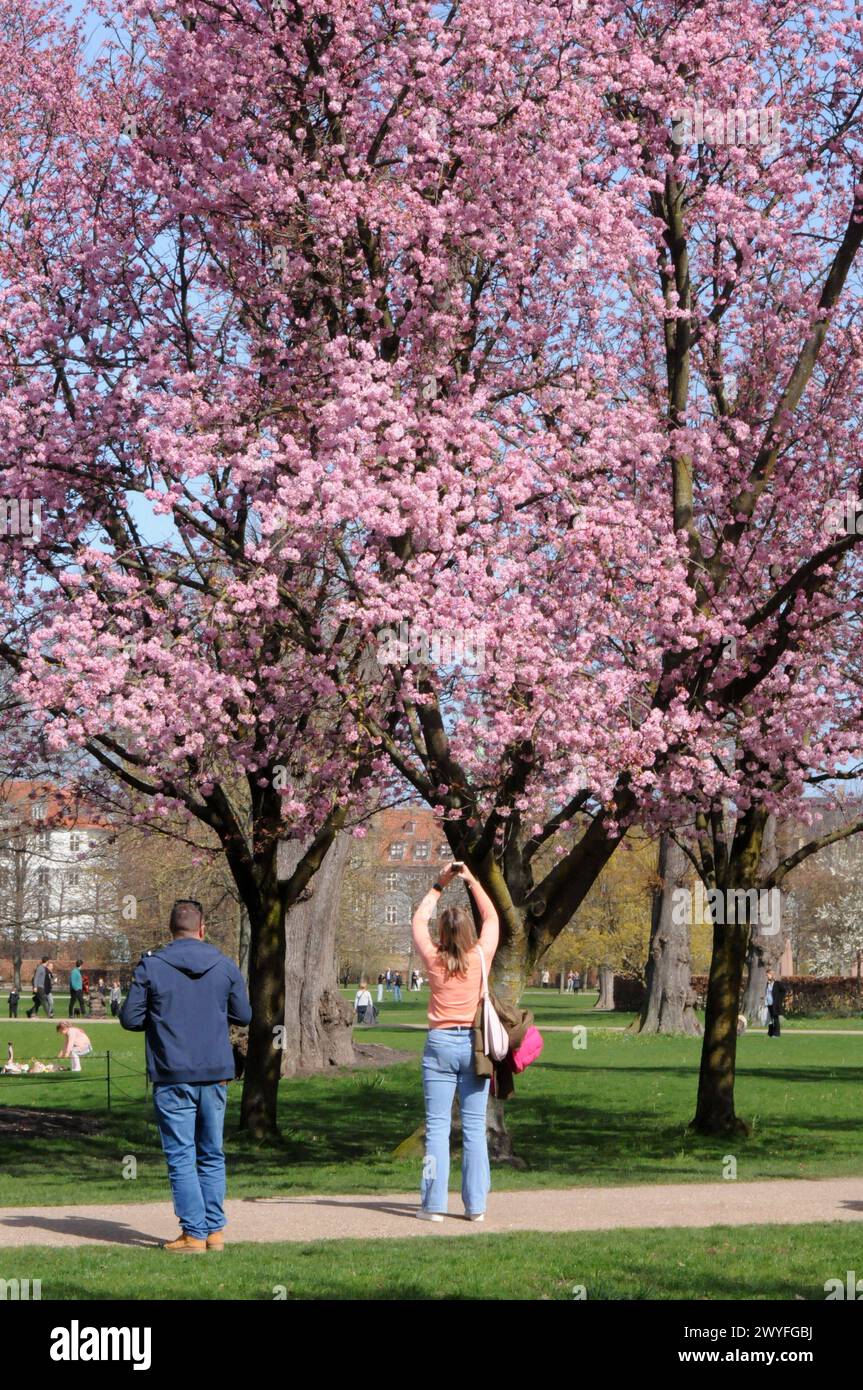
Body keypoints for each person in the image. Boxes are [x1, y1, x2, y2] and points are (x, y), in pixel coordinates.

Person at [120, 898, 252, 1254]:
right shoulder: (225, 965)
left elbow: (130, 1018)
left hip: (172, 1071)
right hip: (215, 1072)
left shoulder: (151, 966)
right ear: (202, 929)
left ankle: (194, 1233)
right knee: (211, 1153)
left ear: (171, 930)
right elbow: (244, 1015)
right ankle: (214, 1231)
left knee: (181, 1155)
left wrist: (162, 1019)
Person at [411, 861, 500, 1222]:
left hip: (440, 1044)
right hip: (474, 1046)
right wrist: (471, 881)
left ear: (443, 934)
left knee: (437, 1129)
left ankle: (433, 1205)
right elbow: (491, 918)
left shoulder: (434, 958)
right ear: (467, 933)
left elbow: (418, 921)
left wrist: (439, 884)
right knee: (475, 1130)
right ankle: (476, 1207)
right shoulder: (480, 956)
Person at [765, 969, 786, 1038]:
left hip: (775, 1004)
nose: (767, 976)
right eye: (767, 975)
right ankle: (770, 1033)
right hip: (769, 1003)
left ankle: (777, 1033)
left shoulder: (777, 983)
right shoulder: (768, 983)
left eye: (768, 975)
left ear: (771, 975)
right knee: (771, 1019)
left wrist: (779, 999)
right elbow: (768, 993)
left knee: (775, 1018)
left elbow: (783, 991)